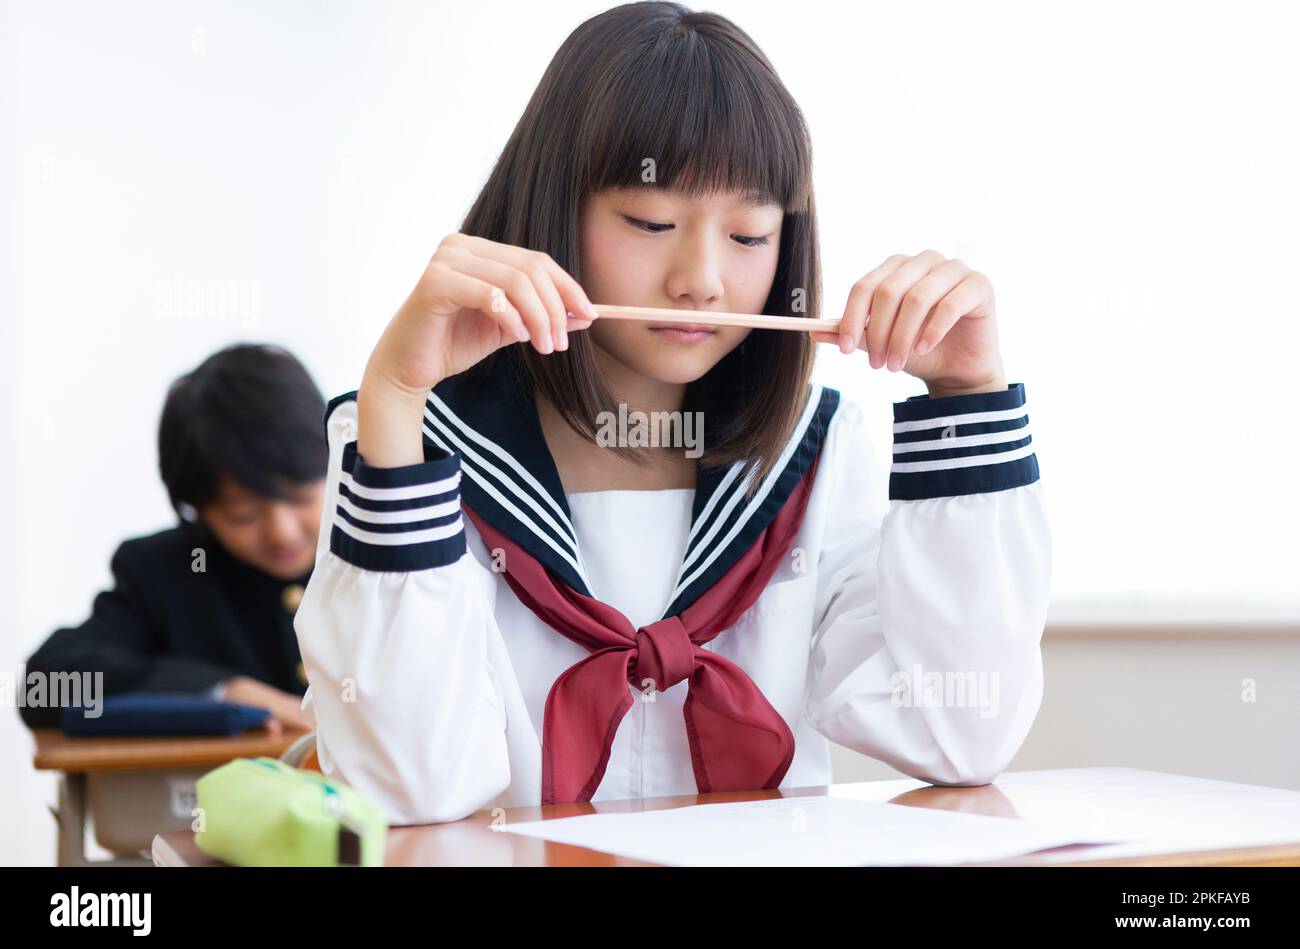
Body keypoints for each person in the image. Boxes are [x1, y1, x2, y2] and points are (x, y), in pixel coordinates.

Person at [294, 1, 1051, 823]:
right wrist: (398, 399)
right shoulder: (406, 445)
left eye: (750, 235)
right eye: (652, 221)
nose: (702, 280)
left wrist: (970, 402)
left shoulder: (821, 448)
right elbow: (408, 788)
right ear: (553, 206)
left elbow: (961, 735)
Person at [20, 344, 326, 734]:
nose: (282, 531)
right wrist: (222, 690)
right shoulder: (164, 571)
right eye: (241, 514)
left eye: (301, 496)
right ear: (196, 506)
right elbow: (41, 687)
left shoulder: (394, 553)